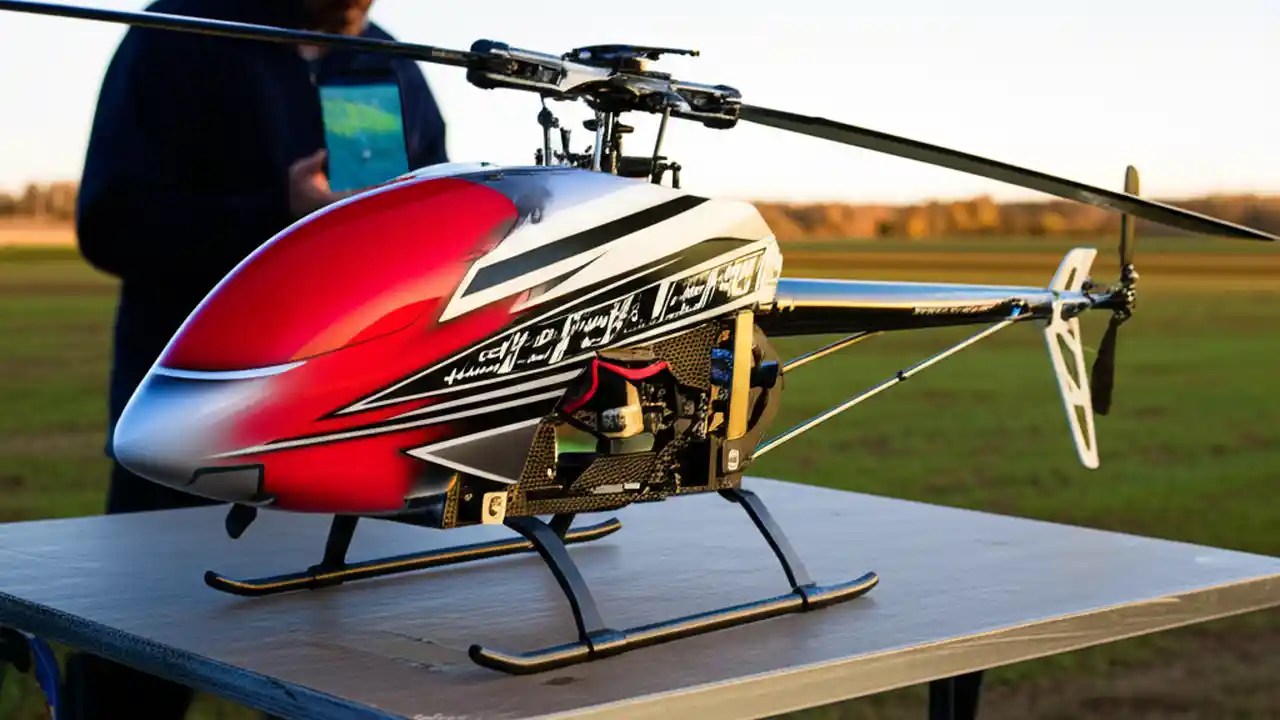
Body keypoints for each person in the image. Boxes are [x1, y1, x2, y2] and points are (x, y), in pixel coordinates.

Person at [65, 1, 448, 717]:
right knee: (134, 676)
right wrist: (278, 213)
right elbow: (110, 221)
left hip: (354, 436)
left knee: (343, 685)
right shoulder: (181, 32)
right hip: (186, 436)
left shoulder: (392, 62)